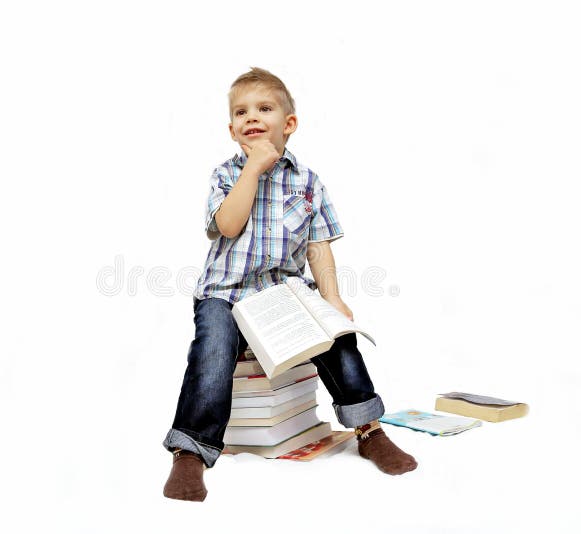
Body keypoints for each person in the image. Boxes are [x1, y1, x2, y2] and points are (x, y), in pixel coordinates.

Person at [162, 67, 417, 501]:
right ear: (231, 129)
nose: (252, 117)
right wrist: (254, 169)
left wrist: (333, 297)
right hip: (226, 292)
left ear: (289, 124)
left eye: (264, 108)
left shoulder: (308, 182)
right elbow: (227, 225)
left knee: (337, 339)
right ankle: (191, 450)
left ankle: (368, 428)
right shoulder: (226, 174)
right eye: (241, 112)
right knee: (212, 350)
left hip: (285, 295)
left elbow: (318, 247)